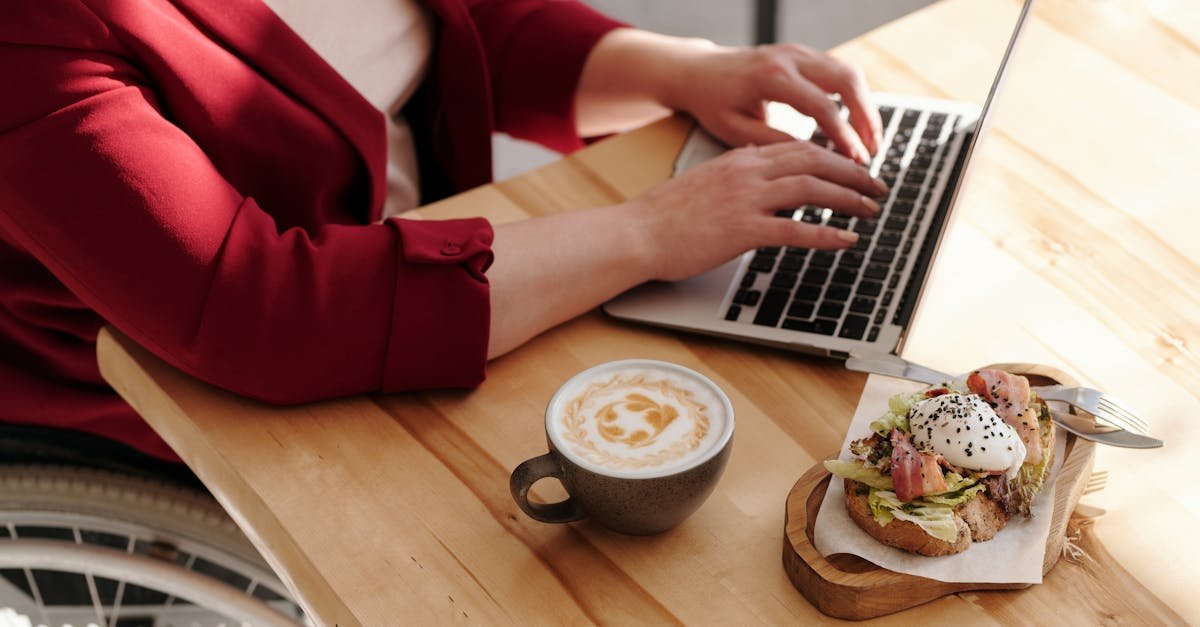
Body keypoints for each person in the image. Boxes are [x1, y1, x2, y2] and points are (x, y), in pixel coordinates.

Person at [0, 0, 885, 463]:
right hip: (214, 394)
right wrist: (648, 233)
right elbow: (255, 311)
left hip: (446, 279)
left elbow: (457, 24)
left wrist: (685, 71)